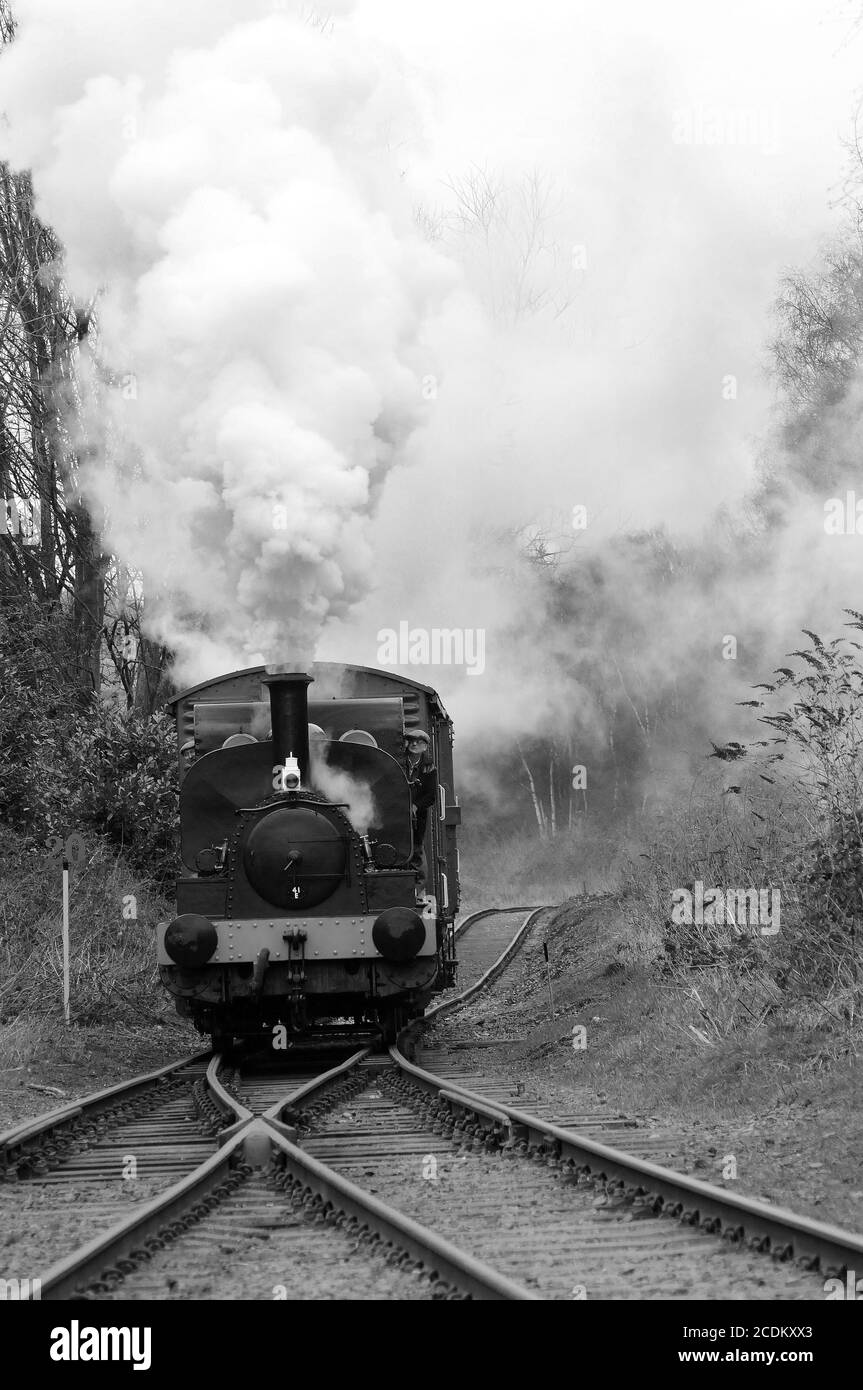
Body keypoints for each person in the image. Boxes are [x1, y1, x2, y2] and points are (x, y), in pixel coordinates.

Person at [404, 729, 437, 874]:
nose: (414, 744)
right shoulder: (399, 760)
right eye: (411, 741)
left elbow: (431, 796)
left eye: (418, 741)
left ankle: (418, 884)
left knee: (416, 851)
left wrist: (416, 806)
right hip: (397, 812)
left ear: (425, 746)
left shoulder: (429, 767)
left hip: (417, 818)